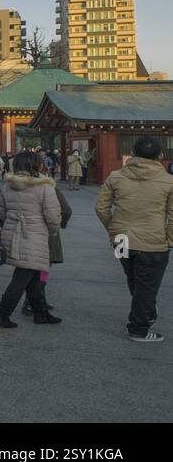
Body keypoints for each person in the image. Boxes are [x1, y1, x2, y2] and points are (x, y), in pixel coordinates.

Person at [94, 135, 173, 342]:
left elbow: (101, 207)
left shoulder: (115, 176)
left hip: (121, 238)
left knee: (133, 278)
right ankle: (139, 327)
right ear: (160, 155)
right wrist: (170, 239)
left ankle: (144, 311)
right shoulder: (168, 181)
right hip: (153, 240)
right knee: (147, 285)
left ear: (134, 154)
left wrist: (113, 228)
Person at [0, 151, 63, 328]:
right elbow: (53, 216)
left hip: (13, 231)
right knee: (22, 277)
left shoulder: (8, 185)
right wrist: (52, 231)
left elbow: (0, 211)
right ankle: (2, 315)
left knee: (32, 276)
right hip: (34, 235)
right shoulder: (44, 187)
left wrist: (8, 225)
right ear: (37, 165)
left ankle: (41, 313)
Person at [22, 153, 71, 317]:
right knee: (43, 268)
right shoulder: (48, 186)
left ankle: (32, 301)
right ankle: (34, 302)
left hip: (22, 233)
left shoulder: (11, 184)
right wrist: (59, 225)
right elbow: (65, 209)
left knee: (26, 269)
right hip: (46, 233)